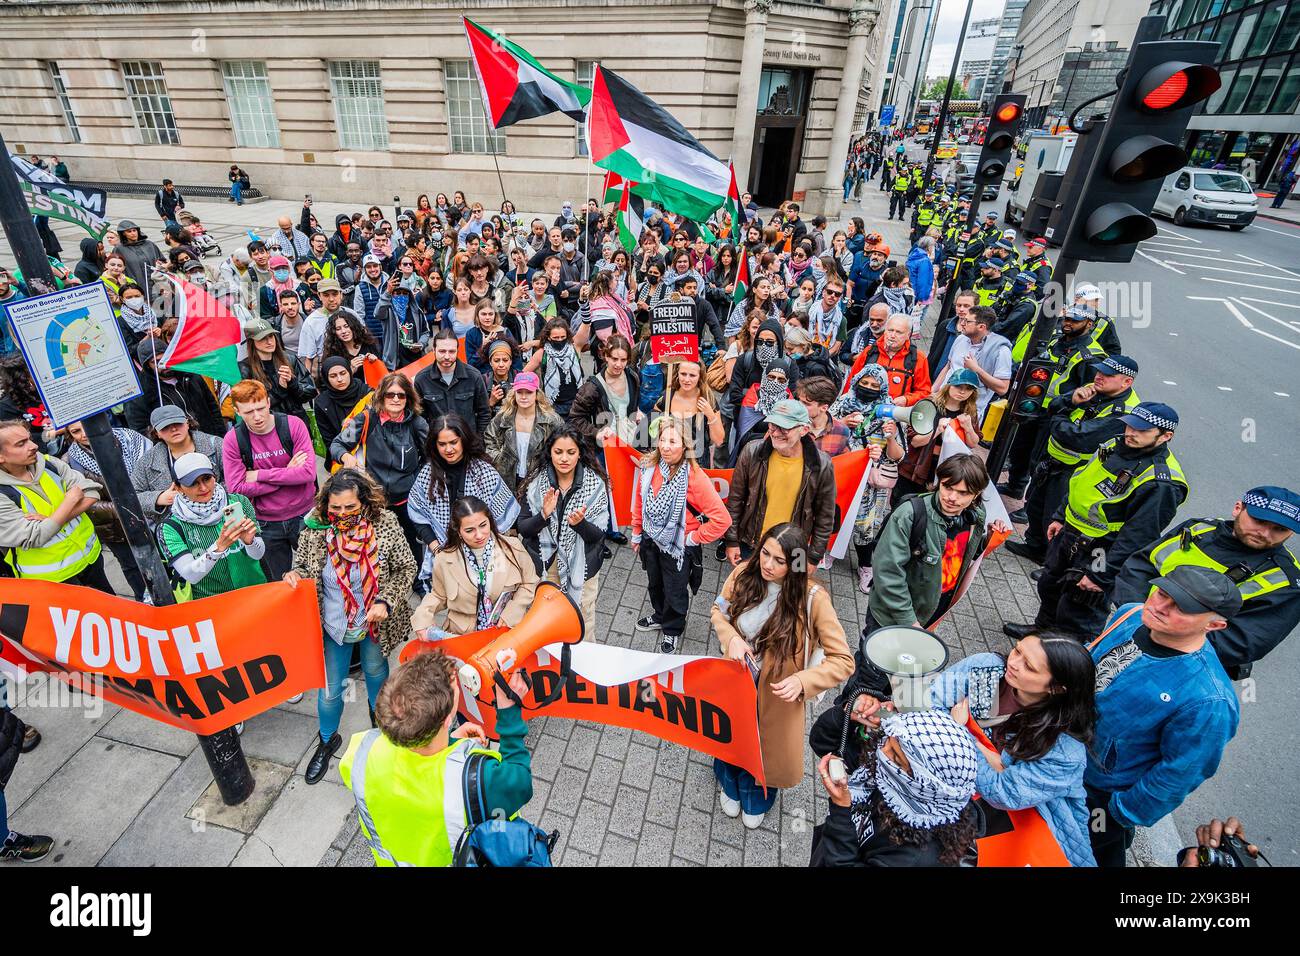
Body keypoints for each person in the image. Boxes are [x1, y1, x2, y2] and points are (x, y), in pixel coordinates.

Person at [1084, 567, 1242, 867]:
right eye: (1161, 593)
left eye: (1180, 607)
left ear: (1215, 624)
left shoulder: (1209, 701)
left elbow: (1177, 775)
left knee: (1088, 851)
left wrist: (1119, 814)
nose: (1159, 606)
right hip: (1061, 751)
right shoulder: (1131, 614)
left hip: (1098, 794)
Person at [1005, 402, 1189, 642]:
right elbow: (1083, 481)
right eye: (1130, 426)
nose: (1131, 433)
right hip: (1071, 533)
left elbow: (1138, 536)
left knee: (1080, 605)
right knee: (1050, 585)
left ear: (1165, 436)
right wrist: (1061, 515)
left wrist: (1101, 576)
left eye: (1142, 430)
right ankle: (1041, 633)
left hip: (1102, 549)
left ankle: (1066, 657)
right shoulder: (1115, 444)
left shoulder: (1161, 482)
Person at [712, 522, 853, 827]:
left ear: (796, 563)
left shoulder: (813, 599)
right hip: (736, 679)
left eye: (780, 560)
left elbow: (843, 660)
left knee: (767, 748)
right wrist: (731, 638)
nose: (767, 565)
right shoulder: (744, 574)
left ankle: (757, 794)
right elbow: (718, 611)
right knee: (730, 736)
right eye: (765, 553)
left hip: (779, 695)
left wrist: (803, 682)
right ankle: (728, 780)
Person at [337, 649, 533, 866]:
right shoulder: (474, 782)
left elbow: (414, 763)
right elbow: (519, 781)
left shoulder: (361, 751)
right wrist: (510, 710)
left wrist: (449, 742)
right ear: (448, 719)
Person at [286, 469, 417, 785]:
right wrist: (294, 577)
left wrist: (385, 601)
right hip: (334, 625)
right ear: (325, 505)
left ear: (364, 502)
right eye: (335, 509)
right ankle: (328, 739)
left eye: (349, 508)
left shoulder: (385, 525)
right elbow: (302, 568)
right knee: (331, 691)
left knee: (376, 673)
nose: (342, 515)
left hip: (374, 624)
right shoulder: (314, 532)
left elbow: (406, 567)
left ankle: (383, 731)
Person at [1114, 486, 1300, 681]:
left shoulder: (1286, 581)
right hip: (1130, 625)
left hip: (1178, 666)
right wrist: (1137, 616)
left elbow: (1242, 642)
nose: (1265, 533)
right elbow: (1140, 567)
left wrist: (1158, 633)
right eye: (1259, 521)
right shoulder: (1198, 529)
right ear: (1238, 508)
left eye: (1279, 529)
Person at [1007, 354, 1140, 561]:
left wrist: (1061, 415)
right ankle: (1034, 546)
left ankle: (1050, 561)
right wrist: (1069, 400)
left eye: (1108, 375)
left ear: (1127, 381)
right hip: (1053, 460)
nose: (1099, 376)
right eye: (1099, 371)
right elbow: (1052, 406)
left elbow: (1077, 437)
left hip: (1076, 469)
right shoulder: (1091, 388)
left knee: (1055, 517)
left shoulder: (1124, 412)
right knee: (1035, 506)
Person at [811, 709, 983, 866]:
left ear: (921, 785)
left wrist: (841, 810)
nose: (882, 751)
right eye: (890, 740)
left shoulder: (914, 859)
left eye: (896, 757)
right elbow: (823, 740)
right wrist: (849, 711)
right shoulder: (889, 772)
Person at [631, 415, 731, 652]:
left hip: (678, 548)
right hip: (651, 540)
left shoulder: (695, 479)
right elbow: (639, 501)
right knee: (655, 584)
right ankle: (659, 615)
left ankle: (672, 629)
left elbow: (722, 520)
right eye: (662, 440)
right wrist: (636, 532)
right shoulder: (649, 467)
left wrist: (692, 538)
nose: (665, 447)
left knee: (675, 591)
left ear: (686, 446)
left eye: (673, 442)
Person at [221, 379, 318, 581]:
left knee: (316, 575)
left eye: (260, 408)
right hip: (266, 522)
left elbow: (308, 473)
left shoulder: (293, 425)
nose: (257, 417)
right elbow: (237, 488)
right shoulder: (233, 440)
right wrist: (287, 472)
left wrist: (259, 475)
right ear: (237, 411)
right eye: (248, 412)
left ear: (268, 402)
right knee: (279, 582)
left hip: (304, 514)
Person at [723, 398, 837, 567]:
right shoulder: (752, 451)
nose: (775, 433)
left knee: (790, 593)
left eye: (784, 428)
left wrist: (813, 559)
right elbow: (735, 500)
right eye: (772, 425)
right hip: (751, 544)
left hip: (796, 550)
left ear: (804, 429)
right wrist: (732, 541)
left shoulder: (822, 465)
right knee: (746, 590)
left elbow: (825, 517)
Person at [517, 426, 609, 634]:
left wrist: (580, 524)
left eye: (571, 452)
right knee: (543, 623)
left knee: (582, 624)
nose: (564, 459)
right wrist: (543, 516)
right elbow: (523, 527)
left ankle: (580, 666)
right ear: (550, 452)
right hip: (544, 564)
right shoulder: (536, 482)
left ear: (580, 453)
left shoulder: (595, 485)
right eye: (558, 452)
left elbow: (597, 536)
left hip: (582, 566)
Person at [406, 412, 517, 584]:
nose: (448, 449)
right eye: (442, 444)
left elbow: (502, 514)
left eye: (453, 442)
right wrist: (436, 549)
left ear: (463, 440)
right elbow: (418, 514)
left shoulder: (483, 471)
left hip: (483, 553)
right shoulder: (428, 474)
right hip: (444, 554)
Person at [0, 419, 111, 589]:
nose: (34, 446)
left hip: (91, 558)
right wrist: (70, 501)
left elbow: (91, 493)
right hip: (52, 580)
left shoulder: (47, 463)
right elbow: (35, 536)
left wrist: (51, 520)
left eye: (29, 439)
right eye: (21, 444)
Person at [330, 372, 429, 559]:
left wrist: (417, 481)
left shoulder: (417, 423)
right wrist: (345, 457)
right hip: (374, 498)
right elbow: (337, 444)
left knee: (411, 543)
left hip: (407, 499)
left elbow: (431, 457)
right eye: (390, 394)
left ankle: (417, 582)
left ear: (408, 398)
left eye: (401, 395)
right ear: (381, 396)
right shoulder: (365, 419)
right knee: (375, 545)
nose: (395, 399)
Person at [411, 496, 539, 640]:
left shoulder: (513, 547)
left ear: (490, 521)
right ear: (458, 531)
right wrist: (423, 616)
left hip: (508, 633)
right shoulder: (444, 559)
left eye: (483, 525)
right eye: (469, 530)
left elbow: (529, 582)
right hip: (462, 637)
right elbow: (438, 595)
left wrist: (514, 610)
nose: (479, 535)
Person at [158, 451, 266, 601]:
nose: (203, 488)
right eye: (193, 483)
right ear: (178, 488)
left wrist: (250, 542)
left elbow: (258, 555)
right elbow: (191, 575)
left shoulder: (238, 502)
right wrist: (218, 548)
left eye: (207, 479)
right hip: (212, 604)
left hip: (255, 594)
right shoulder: (170, 527)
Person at [63, 420, 151, 601]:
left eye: (86, 426)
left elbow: (150, 467)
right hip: (113, 526)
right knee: (130, 566)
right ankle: (143, 601)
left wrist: (145, 501)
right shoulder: (71, 463)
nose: (84, 433)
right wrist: (124, 508)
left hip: (151, 515)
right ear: (70, 435)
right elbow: (86, 503)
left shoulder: (130, 439)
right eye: (76, 431)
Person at [894, 369, 981, 502]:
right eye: (958, 386)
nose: (962, 392)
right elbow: (915, 441)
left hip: (946, 469)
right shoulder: (929, 404)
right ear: (949, 385)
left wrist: (968, 427)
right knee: (902, 503)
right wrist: (938, 430)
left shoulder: (969, 412)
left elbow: (973, 443)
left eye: (968, 389)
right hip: (916, 467)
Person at [131, 405, 225, 525]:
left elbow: (236, 479)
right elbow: (132, 497)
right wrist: (158, 498)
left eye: (178, 423)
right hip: (178, 530)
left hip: (221, 516)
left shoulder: (216, 445)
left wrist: (214, 492)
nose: (174, 429)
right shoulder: (146, 462)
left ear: (188, 423)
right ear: (157, 433)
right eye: (165, 427)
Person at [483, 372, 563, 491]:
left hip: (539, 479)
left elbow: (562, 445)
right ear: (514, 393)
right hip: (507, 477)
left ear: (536, 394)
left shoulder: (551, 420)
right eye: (519, 392)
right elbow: (489, 438)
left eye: (529, 392)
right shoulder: (503, 418)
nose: (524, 397)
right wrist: (499, 460)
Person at [934, 305, 1012, 419]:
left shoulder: (1001, 351)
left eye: (967, 321)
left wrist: (976, 369)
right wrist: (933, 391)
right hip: (941, 403)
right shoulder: (961, 339)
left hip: (966, 414)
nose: (962, 323)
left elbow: (1003, 388)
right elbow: (948, 367)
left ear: (981, 326)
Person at [238, 319, 316, 424]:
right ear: (251, 342)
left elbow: (311, 391)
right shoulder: (245, 368)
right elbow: (251, 406)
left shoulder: (289, 359)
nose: (269, 342)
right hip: (269, 426)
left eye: (271, 336)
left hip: (297, 423)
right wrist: (280, 390)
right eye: (262, 338)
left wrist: (293, 384)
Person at [413, 329, 491, 432]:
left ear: (457, 351)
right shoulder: (421, 379)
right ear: (433, 350)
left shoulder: (474, 376)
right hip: (437, 443)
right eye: (442, 351)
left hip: (469, 442)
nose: (447, 356)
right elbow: (419, 417)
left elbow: (484, 413)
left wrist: (479, 442)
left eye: (451, 351)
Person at [523, 318, 584, 418]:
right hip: (553, 407)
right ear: (549, 337)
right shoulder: (542, 354)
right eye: (556, 338)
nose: (560, 340)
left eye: (562, 337)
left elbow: (586, 326)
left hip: (577, 404)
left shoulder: (574, 348)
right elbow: (523, 375)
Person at [114, 220, 164, 292]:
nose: (133, 233)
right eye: (129, 231)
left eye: (134, 230)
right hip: (137, 287)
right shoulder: (119, 249)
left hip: (157, 284)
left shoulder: (149, 244)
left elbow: (162, 261)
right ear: (124, 233)